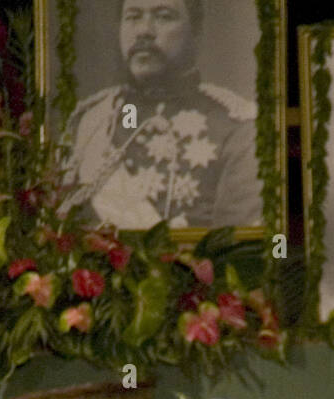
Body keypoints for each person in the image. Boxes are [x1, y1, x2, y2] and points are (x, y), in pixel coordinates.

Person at [63, 0, 259, 229]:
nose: (144, 31)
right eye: (133, 16)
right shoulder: (92, 122)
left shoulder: (235, 126)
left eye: (163, 16)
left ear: (195, 31)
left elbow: (244, 245)